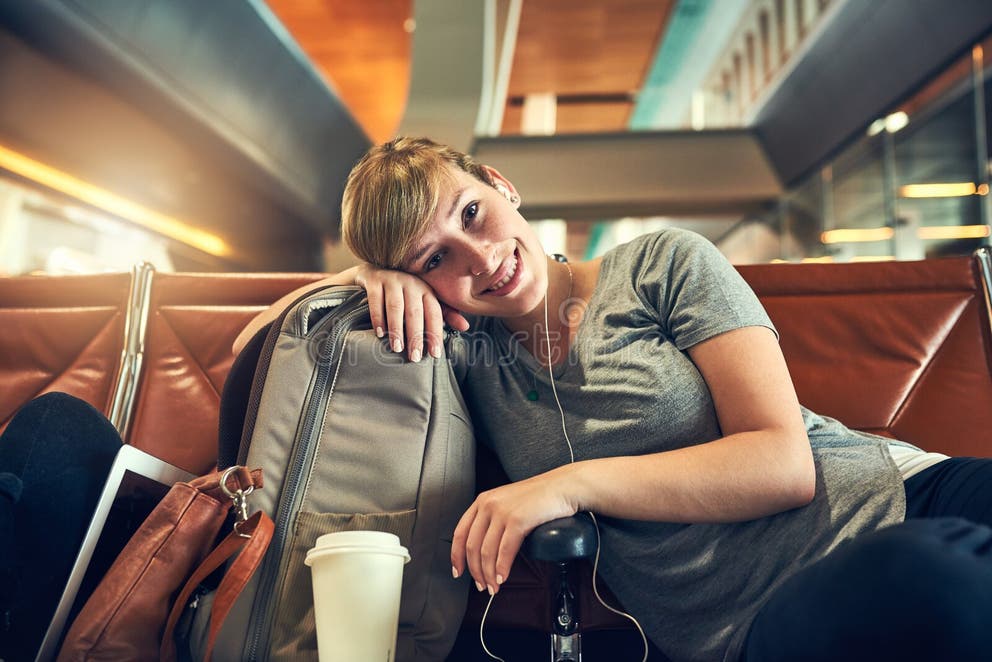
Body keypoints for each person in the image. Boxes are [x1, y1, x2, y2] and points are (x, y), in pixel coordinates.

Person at [239, 137, 992, 662]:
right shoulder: (464, 358)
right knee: (921, 586)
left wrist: (567, 483)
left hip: (907, 497)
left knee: (929, 571)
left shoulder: (662, 264)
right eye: (435, 259)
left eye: (470, 213)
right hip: (756, 620)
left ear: (500, 184)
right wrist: (360, 281)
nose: (480, 259)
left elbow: (784, 462)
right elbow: (256, 349)